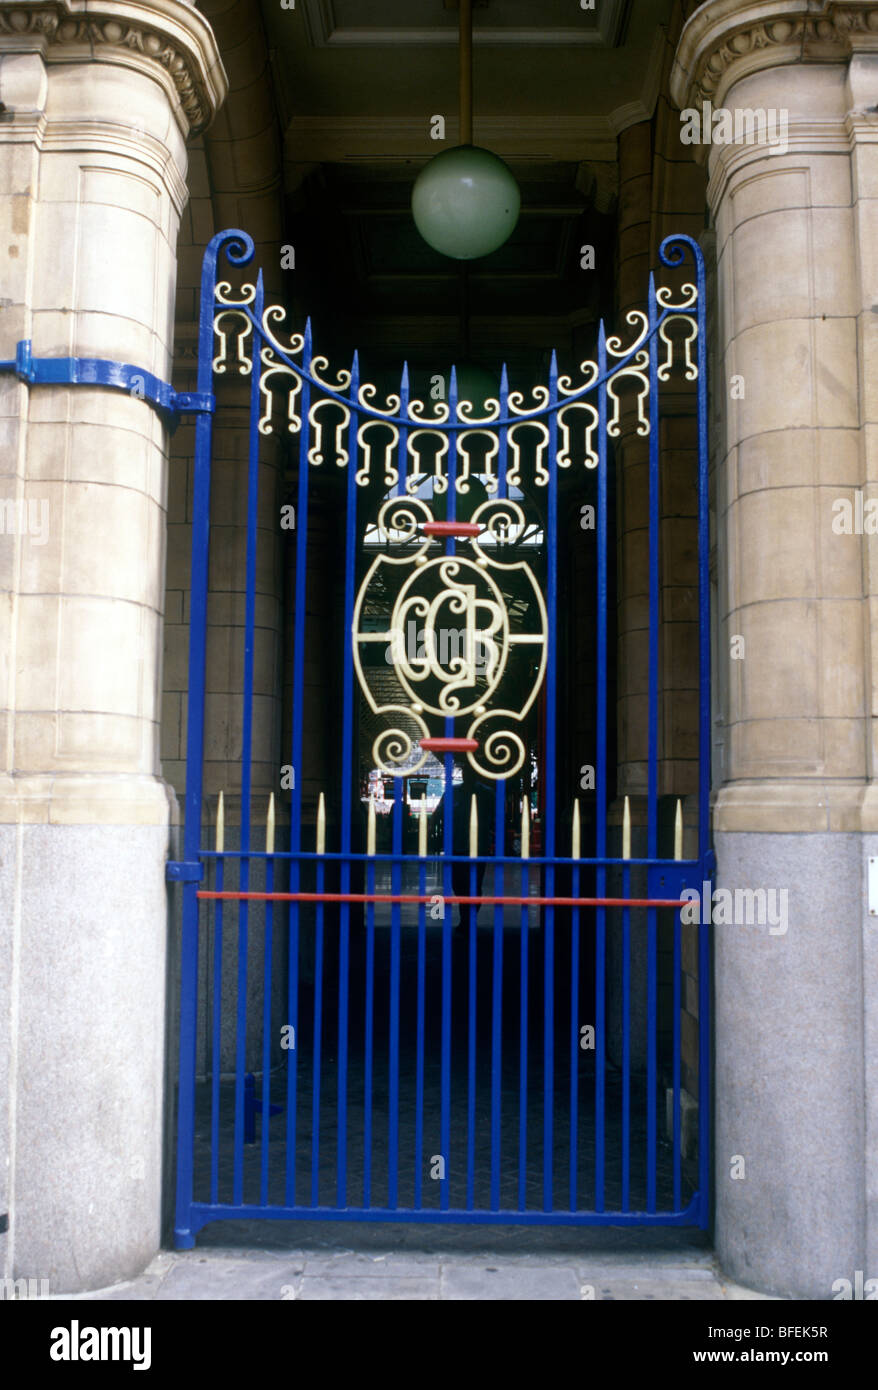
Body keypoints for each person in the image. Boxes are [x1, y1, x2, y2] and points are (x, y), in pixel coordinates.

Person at [448, 762, 496, 926]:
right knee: (458, 884)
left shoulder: (487, 794)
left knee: (473, 885)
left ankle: (467, 920)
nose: (465, 775)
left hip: (479, 848)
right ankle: (467, 916)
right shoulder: (453, 792)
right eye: (464, 772)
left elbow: (496, 819)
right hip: (457, 847)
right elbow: (439, 813)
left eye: (469, 772)